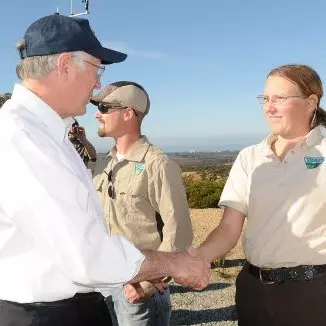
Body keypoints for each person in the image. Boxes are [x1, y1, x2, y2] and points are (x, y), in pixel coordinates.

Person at [0, 14, 210, 326]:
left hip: (83, 301)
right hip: (46, 313)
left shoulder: (46, 135)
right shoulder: (23, 138)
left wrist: (150, 274)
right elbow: (87, 256)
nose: (98, 83)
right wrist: (173, 263)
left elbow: (173, 226)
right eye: (97, 70)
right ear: (64, 65)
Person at [195, 64, 326, 326]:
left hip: (312, 293)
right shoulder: (250, 157)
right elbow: (228, 230)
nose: (269, 107)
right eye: (265, 99)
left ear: (310, 102)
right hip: (252, 289)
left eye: (280, 98)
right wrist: (194, 260)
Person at [91, 81, 193, 326]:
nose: (97, 114)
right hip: (105, 285)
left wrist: (148, 284)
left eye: (105, 108)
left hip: (137, 292)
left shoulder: (158, 164)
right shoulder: (106, 164)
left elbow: (179, 230)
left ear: (128, 113)